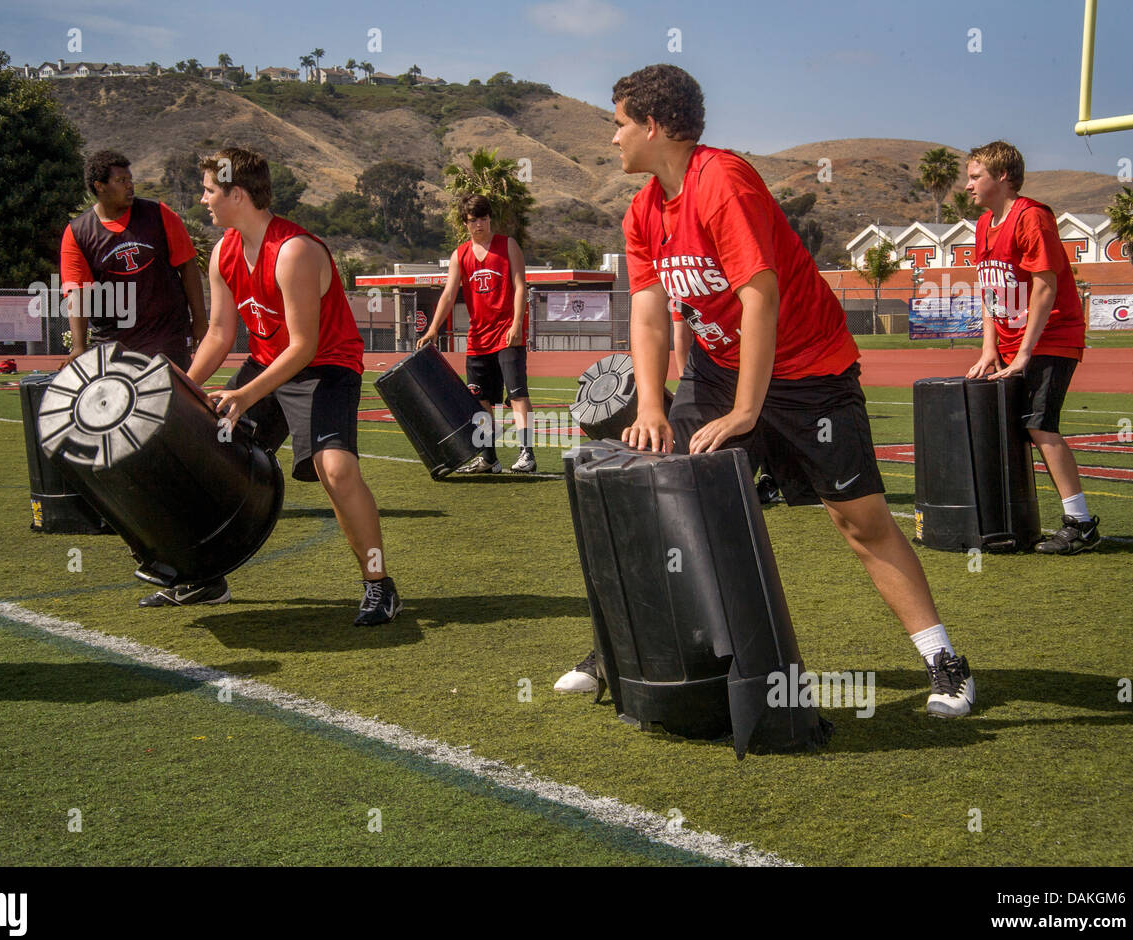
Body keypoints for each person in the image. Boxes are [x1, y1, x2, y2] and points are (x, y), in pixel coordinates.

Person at [555, 64, 975, 718]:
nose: (612, 140)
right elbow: (647, 311)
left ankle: (943, 660)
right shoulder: (642, 211)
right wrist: (648, 404)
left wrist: (748, 412)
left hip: (810, 372)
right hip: (721, 372)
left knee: (858, 521)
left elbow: (760, 296)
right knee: (669, 500)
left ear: (656, 125)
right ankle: (619, 649)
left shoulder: (722, 180)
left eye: (619, 124)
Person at [177, 146, 401, 625]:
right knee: (205, 454)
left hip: (325, 367)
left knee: (336, 471)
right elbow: (219, 333)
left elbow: (303, 347)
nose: (203, 200)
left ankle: (379, 585)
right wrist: (184, 389)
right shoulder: (223, 252)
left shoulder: (294, 251)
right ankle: (205, 578)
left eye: (209, 191)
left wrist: (242, 395)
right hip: (266, 366)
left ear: (237, 193)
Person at [963, 141, 1098, 555]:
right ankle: (1008, 517)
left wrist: (1024, 352)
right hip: (1010, 342)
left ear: (1002, 177)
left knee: (1040, 424)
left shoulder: (1032, 217)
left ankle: (1082, 523)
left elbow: (1045, 286)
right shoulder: (985, 224)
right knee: (1013, 425)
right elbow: (990, 289)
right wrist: (989, 348)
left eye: (975, 176)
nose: (967, 184)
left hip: (1051, 337)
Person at [416, 195, 535, 474]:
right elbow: (448, 294)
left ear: (490, 219)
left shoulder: (508, 245)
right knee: (480, 400)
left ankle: (527, 453)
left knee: (517, 394)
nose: (478, 225)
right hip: (478, 339)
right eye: (473, 220)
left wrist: (517, 323)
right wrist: (433, 328)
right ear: (465, 223)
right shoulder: (460, 254)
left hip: (507, 335)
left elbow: (520, 286)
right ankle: (488, 457)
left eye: (483, 219)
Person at [62, 150, 207, 371]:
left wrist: (199, 319)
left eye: (130, 180)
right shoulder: (78, 232)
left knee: (168, 400)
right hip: (112, 341)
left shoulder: (159, 214)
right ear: (99, 186)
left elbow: (187, 266)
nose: (130, 186)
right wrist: (79, 347)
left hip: (166, 335)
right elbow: (78, 292)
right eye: (121, 181)